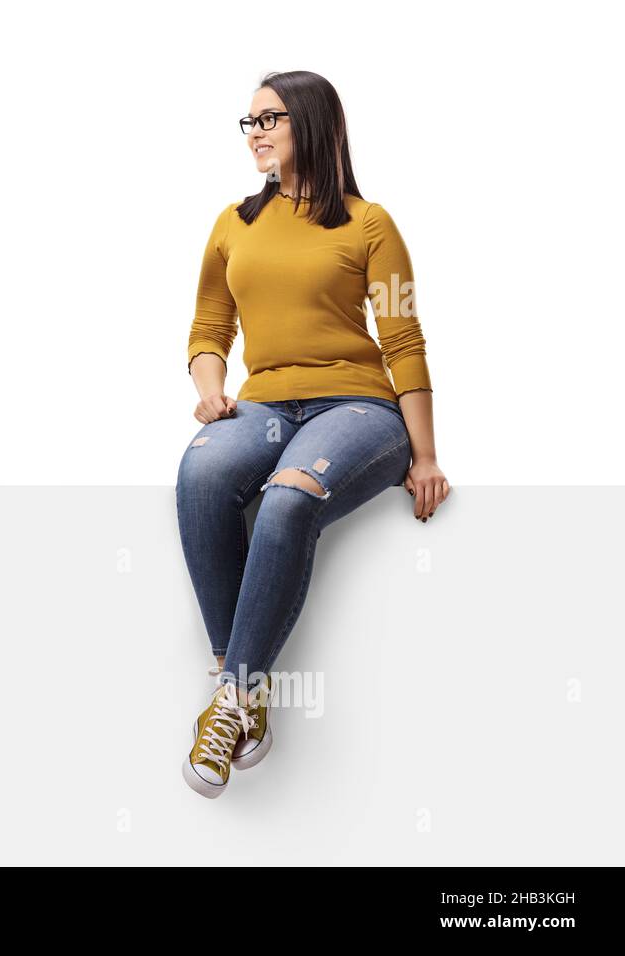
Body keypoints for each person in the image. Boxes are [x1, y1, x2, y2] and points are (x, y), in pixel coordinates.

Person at [176, 70, 450, 798]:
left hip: (358, 408)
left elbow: (403, 336)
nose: (255, 131)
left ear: (313, 125)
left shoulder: (370, 223)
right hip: (264, 405)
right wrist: (210, 391)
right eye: (250, 120)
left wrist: (423, 455)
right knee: (202, 472)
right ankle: (247, 693)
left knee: (289, 499)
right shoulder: (233, 222)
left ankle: (229, 704)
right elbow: (209, 327)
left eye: (271, 118)